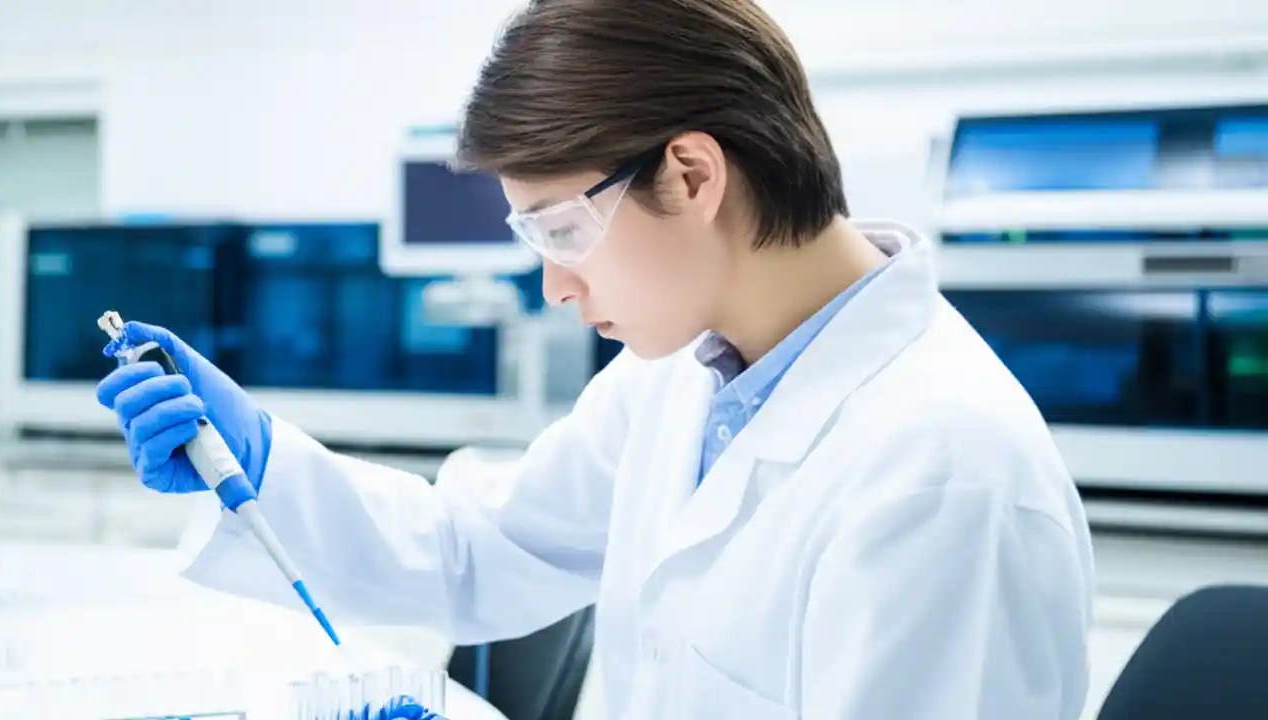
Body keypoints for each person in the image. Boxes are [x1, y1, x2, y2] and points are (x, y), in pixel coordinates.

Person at [96, 0, 1094, 717]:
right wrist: (260, 462)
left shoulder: (942, 477)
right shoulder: (686, 375)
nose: (554, 286)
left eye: (561, 230)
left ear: (690, 174)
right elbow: (481, 551)